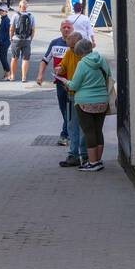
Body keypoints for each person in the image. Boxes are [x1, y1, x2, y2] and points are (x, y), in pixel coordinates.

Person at [64, 39, 112, 171]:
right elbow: (109, 76)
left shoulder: (82, 64)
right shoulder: (101, 59)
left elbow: (74, 85)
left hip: (85, 103)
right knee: (98, 130)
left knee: (89, 131)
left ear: (80, 52)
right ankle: (98, 160)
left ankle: (92, 162)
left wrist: (66, 82)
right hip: (102, 100)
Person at [55, 29, 87, 167]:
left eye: (73, 47)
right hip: (72, 94)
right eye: (70, 47)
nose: (72, 50)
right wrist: (60, 69)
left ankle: (84, 155)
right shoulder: (69, 52)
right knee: (72, 125)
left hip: (83, 95)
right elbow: (63, 66)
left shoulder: (85, 55)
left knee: (83, 127)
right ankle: (73, 154)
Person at [40, 20, 74, 140]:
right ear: (60, 29)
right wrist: (40, 75)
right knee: (64, 109)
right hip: (60, 82)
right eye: (64, 27)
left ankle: (65, 134)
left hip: (74, 83)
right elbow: (45, 60)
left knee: (71, 110)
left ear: (72, 29)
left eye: (68, 27)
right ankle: (68, 133)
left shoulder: (76, 44)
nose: (66, 29)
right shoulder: (54, 43)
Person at [8, 0, 35, 82]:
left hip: (16, 39)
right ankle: (24, 77)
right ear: (26, 7)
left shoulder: (15, 15)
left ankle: (12, 76)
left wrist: (11, 38)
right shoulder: (31, 16)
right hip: (27, 40)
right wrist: (30, 39)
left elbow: (11, 28)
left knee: (14, 58)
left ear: (19, 6)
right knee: (25, 59)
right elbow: (33, 29)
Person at [0, 5, 12, 78]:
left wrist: (5, 41)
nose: (1, 12)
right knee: (2, 58)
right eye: (0, 10)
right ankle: (6, 72)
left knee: (3, 58)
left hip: (5, 42)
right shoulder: (3, 19)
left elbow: (10, 32)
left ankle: (8, 73)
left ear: (6, 12)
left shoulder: (7, 20)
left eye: (2, 10)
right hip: (2, 42)